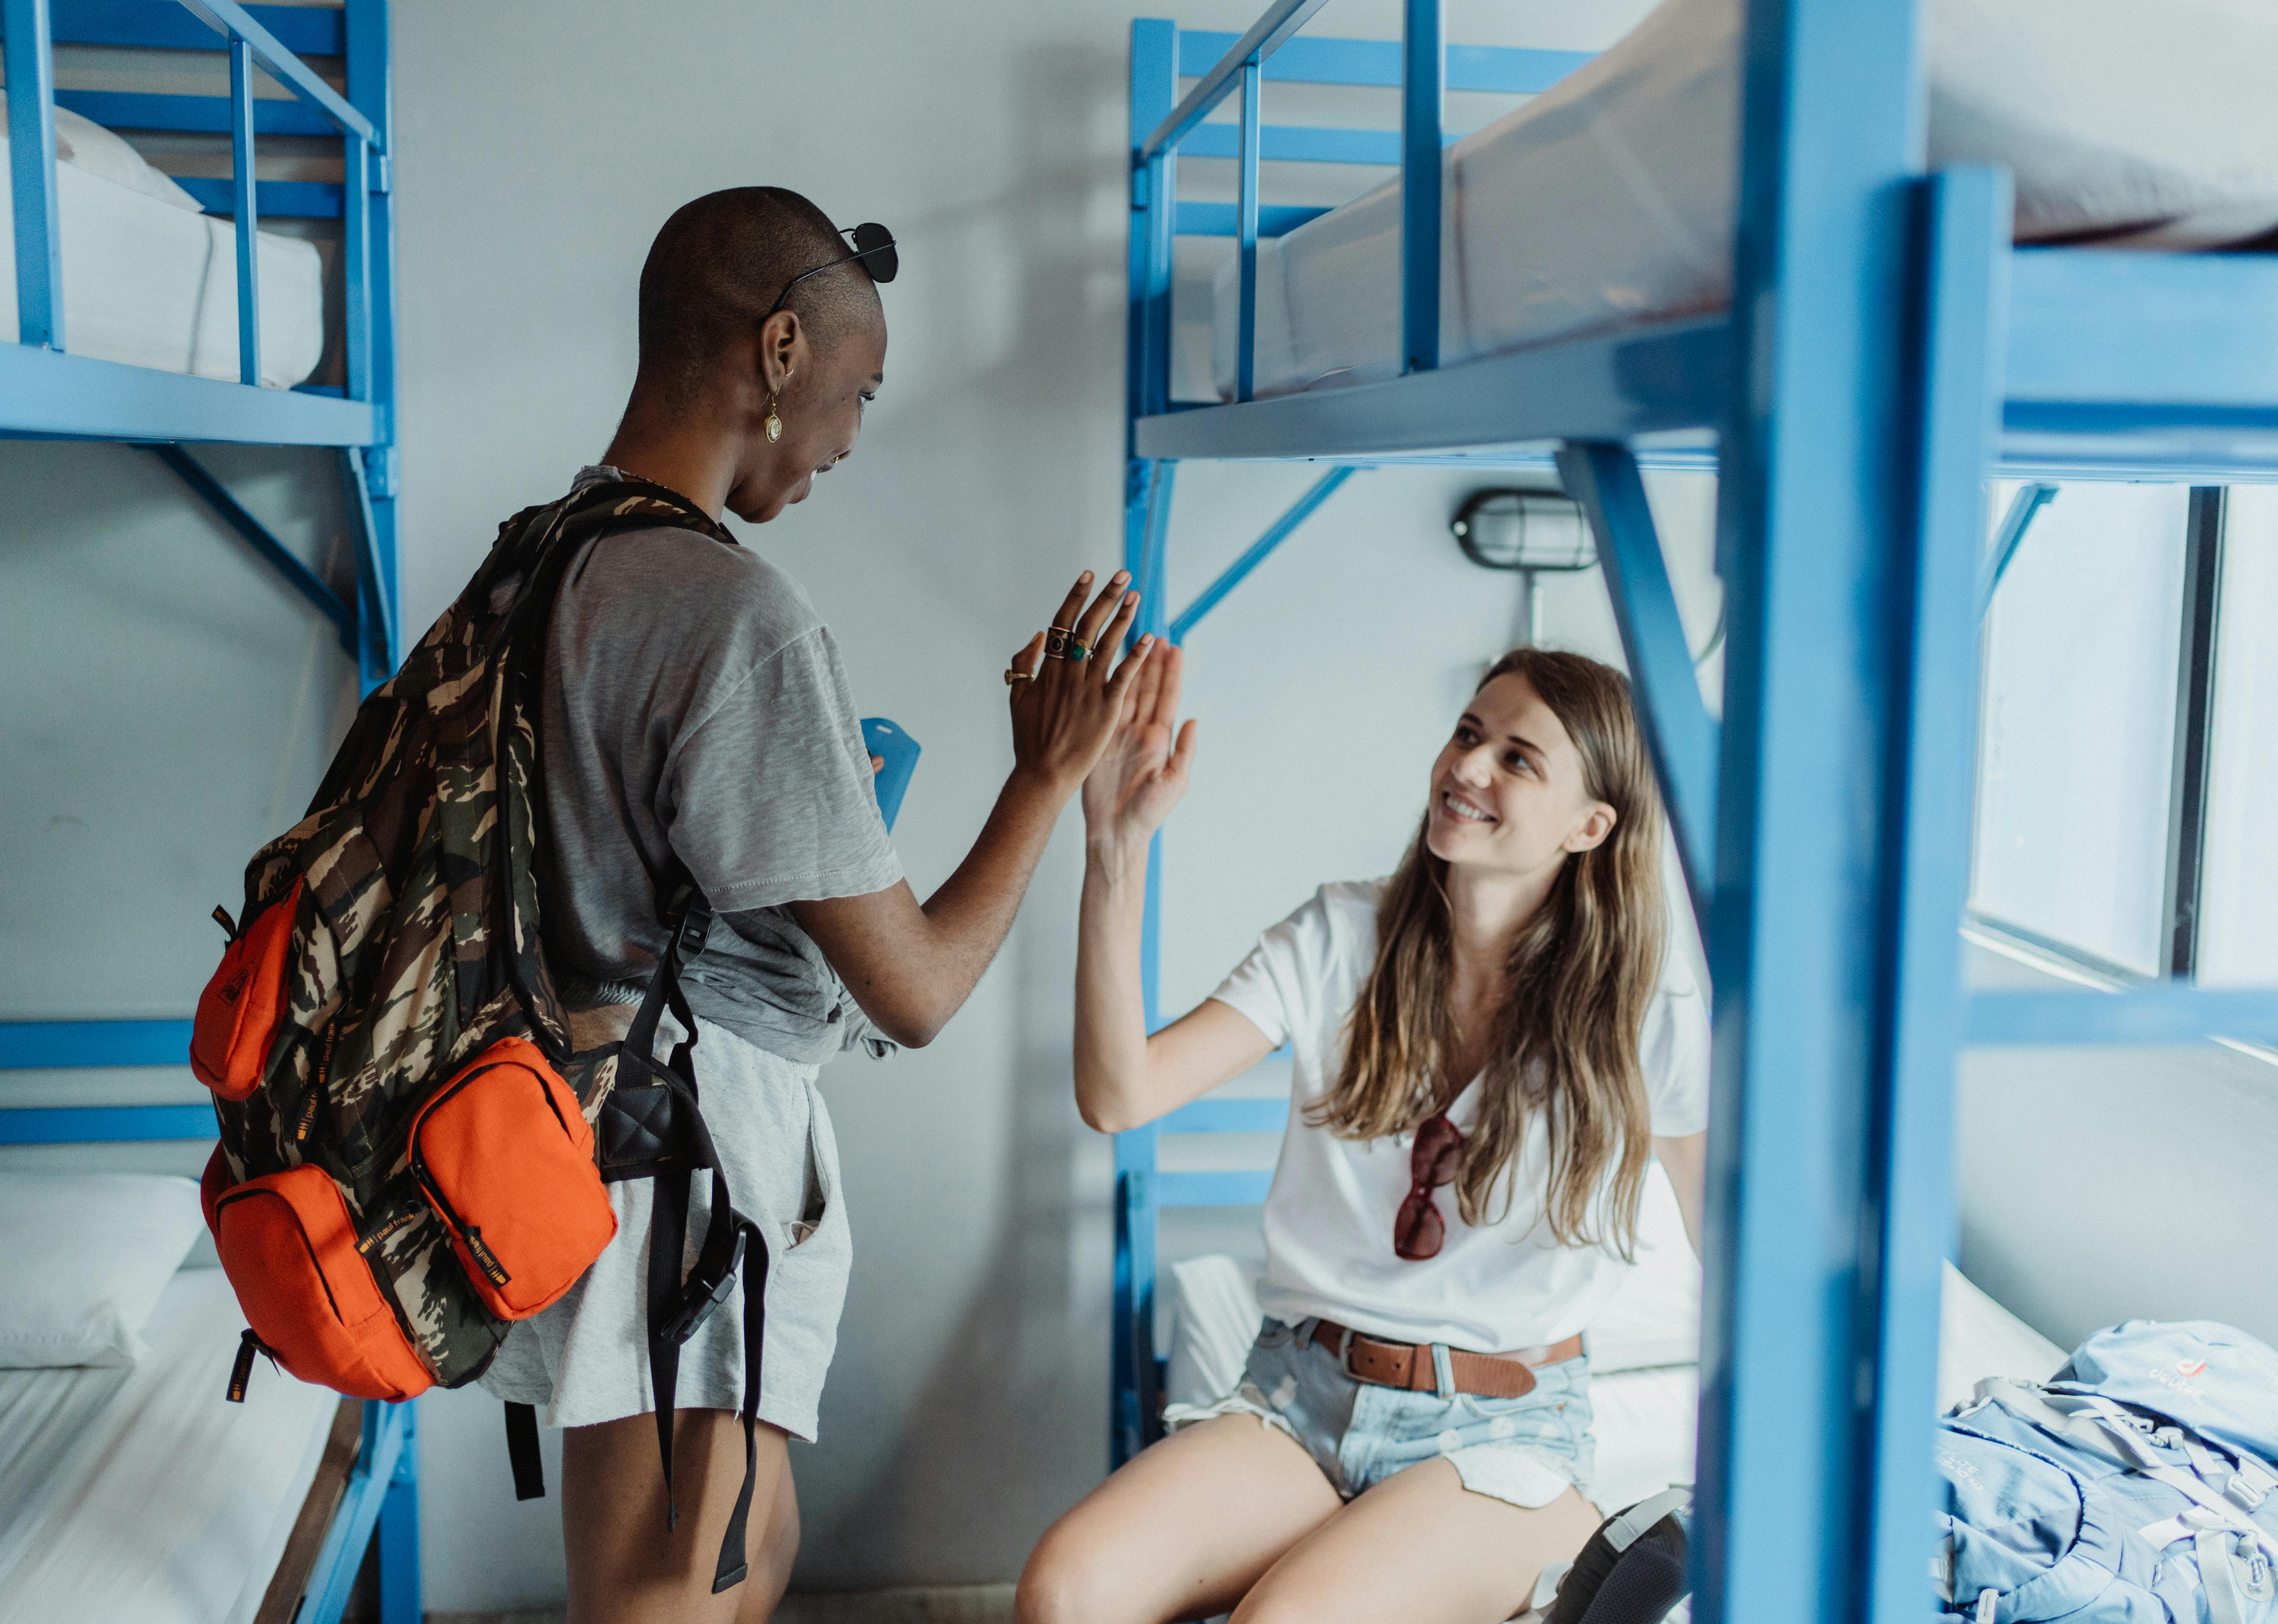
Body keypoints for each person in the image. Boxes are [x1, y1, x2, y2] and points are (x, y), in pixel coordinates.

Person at [474, 186, 1159, 1624]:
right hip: (682, 1162)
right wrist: (1047, 776)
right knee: (671, 1598)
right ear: (780, 350)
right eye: (860, 391)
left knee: (757, 1551)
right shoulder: (738, 619)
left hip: (578, 1120)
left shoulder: (540, 555)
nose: (852, 435)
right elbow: (917, 988)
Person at [1021, 646, 1710, 1624]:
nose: (1467, 766)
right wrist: (1114, 843)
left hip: (1504, 1438)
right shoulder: (1339, 935)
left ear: (1591, 825)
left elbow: (1737, 1245)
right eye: (1468, 733)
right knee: (1064, 1592)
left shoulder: (1643, 1009)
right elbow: (1119, 1095)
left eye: (1518, 758)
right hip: (1299, 1397)